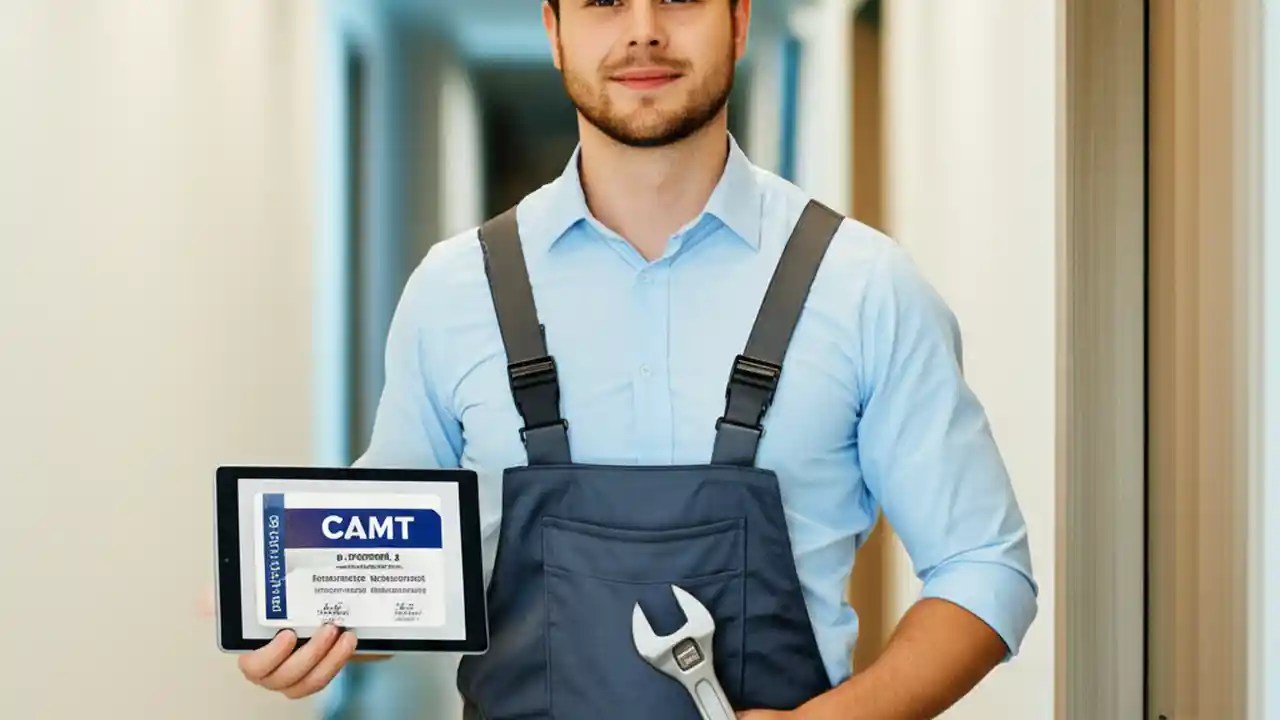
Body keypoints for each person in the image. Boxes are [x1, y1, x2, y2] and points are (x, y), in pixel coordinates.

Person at [235, 0, 1038, 717]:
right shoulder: (454, 292)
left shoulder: (864, 287)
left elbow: (983, 569)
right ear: (554, 30)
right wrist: (313, 628)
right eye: (605, 1)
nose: (644, 27)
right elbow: (402, 585)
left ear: (739, 19)